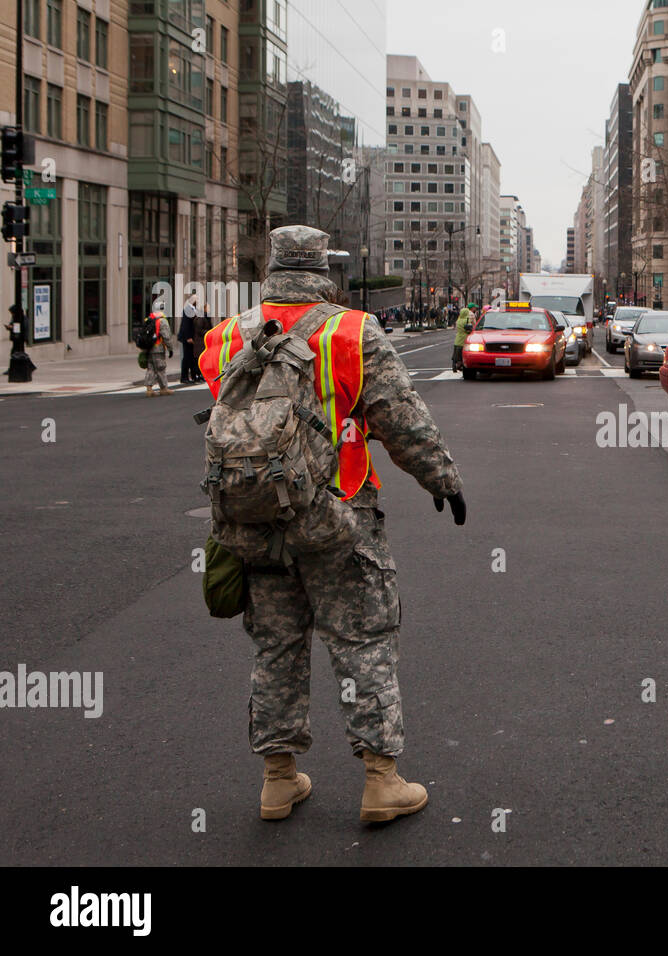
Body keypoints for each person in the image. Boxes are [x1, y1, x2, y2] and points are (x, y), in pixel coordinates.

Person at [199, 225, 468, 823]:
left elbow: (232, 419)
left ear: (272, 268)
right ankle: (381, 781)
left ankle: (278, 780)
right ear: (324, 269)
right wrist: (442, 479)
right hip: (339, 518)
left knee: (276, 649)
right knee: (363, 641)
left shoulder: (225, 336)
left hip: (256, 524)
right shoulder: (349, 330)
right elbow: (401, 419)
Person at [143, 309, 175, 397]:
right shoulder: (162, 321)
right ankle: (163, 388)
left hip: (149, 348)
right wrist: (170, 349)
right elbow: (166, 336)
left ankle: (149, 389)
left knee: (151, 368)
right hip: (158, 348)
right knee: (161, 368)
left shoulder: (149, 319)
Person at [178, 296, 201, 385]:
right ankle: (184, 377)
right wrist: (188, 337)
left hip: (192, 337)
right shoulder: (188, 309)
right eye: (196, 301)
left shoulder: (193, 309)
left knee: (191, 357)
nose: (197, 302)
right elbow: (185, 325)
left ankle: (192, 376)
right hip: (187, 338)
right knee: (186, 358)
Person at [453, 302, 475, 372]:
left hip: (457, 339)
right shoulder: (467, 320)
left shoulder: (458, 321)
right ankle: (461, 365)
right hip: (464, 339)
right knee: (463, 355)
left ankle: (455, 364)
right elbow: (470, 329)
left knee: (456, 355)